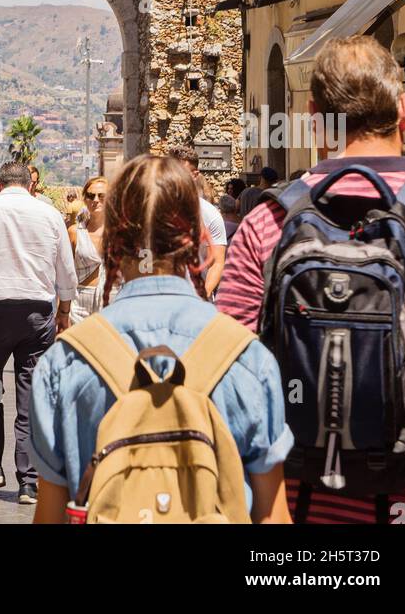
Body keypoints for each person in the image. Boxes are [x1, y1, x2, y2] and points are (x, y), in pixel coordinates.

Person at [218, 35, 405, 525]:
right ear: (403, 109)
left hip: (298, 499)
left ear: (315, 117)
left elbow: (230, 376)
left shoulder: (269, 220)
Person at [28, 154, 293, 524]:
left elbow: (50, 516)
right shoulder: (247, 356)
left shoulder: (64, 361)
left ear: (112, 243)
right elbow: (272, 517)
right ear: (198, 238)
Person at [0, 160, 77, 504]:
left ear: (0, 182)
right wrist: (63, 311)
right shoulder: (49, 214)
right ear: (29, 184)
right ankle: (29, 479)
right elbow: (65, 271)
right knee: (30, 392)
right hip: (37, 315)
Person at [168, 147, 227, 297]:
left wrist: (203, 296)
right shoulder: (155, 209)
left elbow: (217, 262)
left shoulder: (210, 214)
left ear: (195, 175)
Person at [67, 176, 106, 323]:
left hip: (112, 297)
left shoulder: (121, 233)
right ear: (85, 199)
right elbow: (65, 273)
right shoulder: (74, 232)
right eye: (91, 195)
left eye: (102, 196)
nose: (96, 200)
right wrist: (62, 310)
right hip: (80, 301)